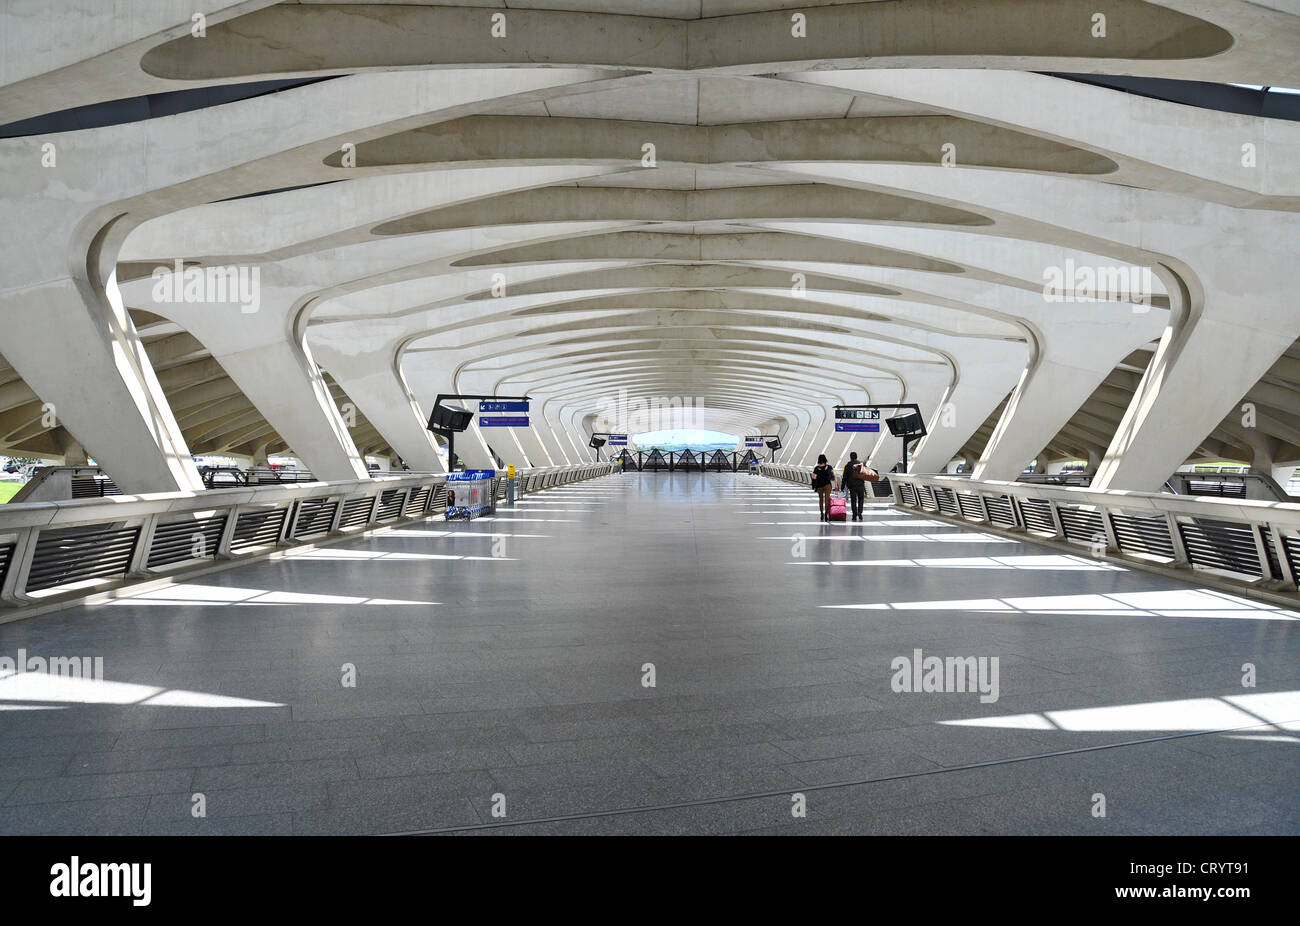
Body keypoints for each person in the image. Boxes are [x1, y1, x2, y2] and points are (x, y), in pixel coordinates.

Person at [842, 451, 868, 521]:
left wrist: (842, 486)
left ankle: (854, 515)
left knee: (853, 500)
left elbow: (844, 477)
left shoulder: (847, 466)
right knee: (861, 499)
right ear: (856, 457)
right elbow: (865, 473)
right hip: (860, 485)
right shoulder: (861, 465)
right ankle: (860, 512)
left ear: (850, 457)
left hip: (852, 486)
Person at [811, 454, 836, 521]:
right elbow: (834, 475)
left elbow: (814, 477)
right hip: (827, 485)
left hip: (819, 486)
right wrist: (836, 485)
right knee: (827, 499)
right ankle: (826, 514)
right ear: (825, 460)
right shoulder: (829, 467)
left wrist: (814, 484)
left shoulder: (816, 468)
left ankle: (821, 513)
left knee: (821, 499)